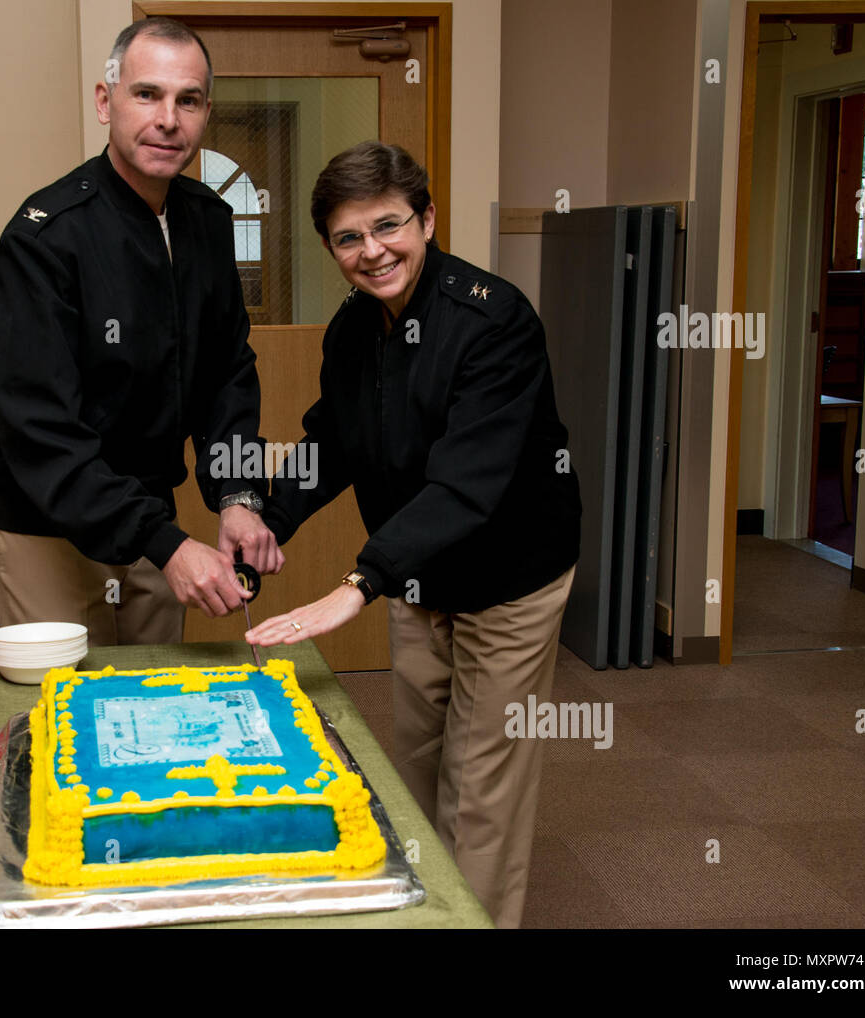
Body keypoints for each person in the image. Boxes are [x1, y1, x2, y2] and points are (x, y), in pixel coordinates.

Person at [246, 141, 581, 927]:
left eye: (388, 225)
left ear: (427, 219)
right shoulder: (354, 328)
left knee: (482, 785)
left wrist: (358, 583)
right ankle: (429, 911)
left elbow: (466, 484)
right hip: (420, 577)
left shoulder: (494, 321)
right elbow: (334, 437)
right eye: (348, 238)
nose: (373, 251)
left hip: (509, 577)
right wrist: (269, 518)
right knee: (422, 767)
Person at [0, 17, 282, 644]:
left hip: (147, 507)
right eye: (147, 94)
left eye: (187, 100)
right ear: (106, 101)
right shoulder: (44, 237)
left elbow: (227, 374)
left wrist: (238, 494)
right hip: (44, 513)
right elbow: (39, 430)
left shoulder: (209, 223)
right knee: (62, 710)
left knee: (154, 702)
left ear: (205, 112)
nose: (169, 118)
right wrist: (168, 545)